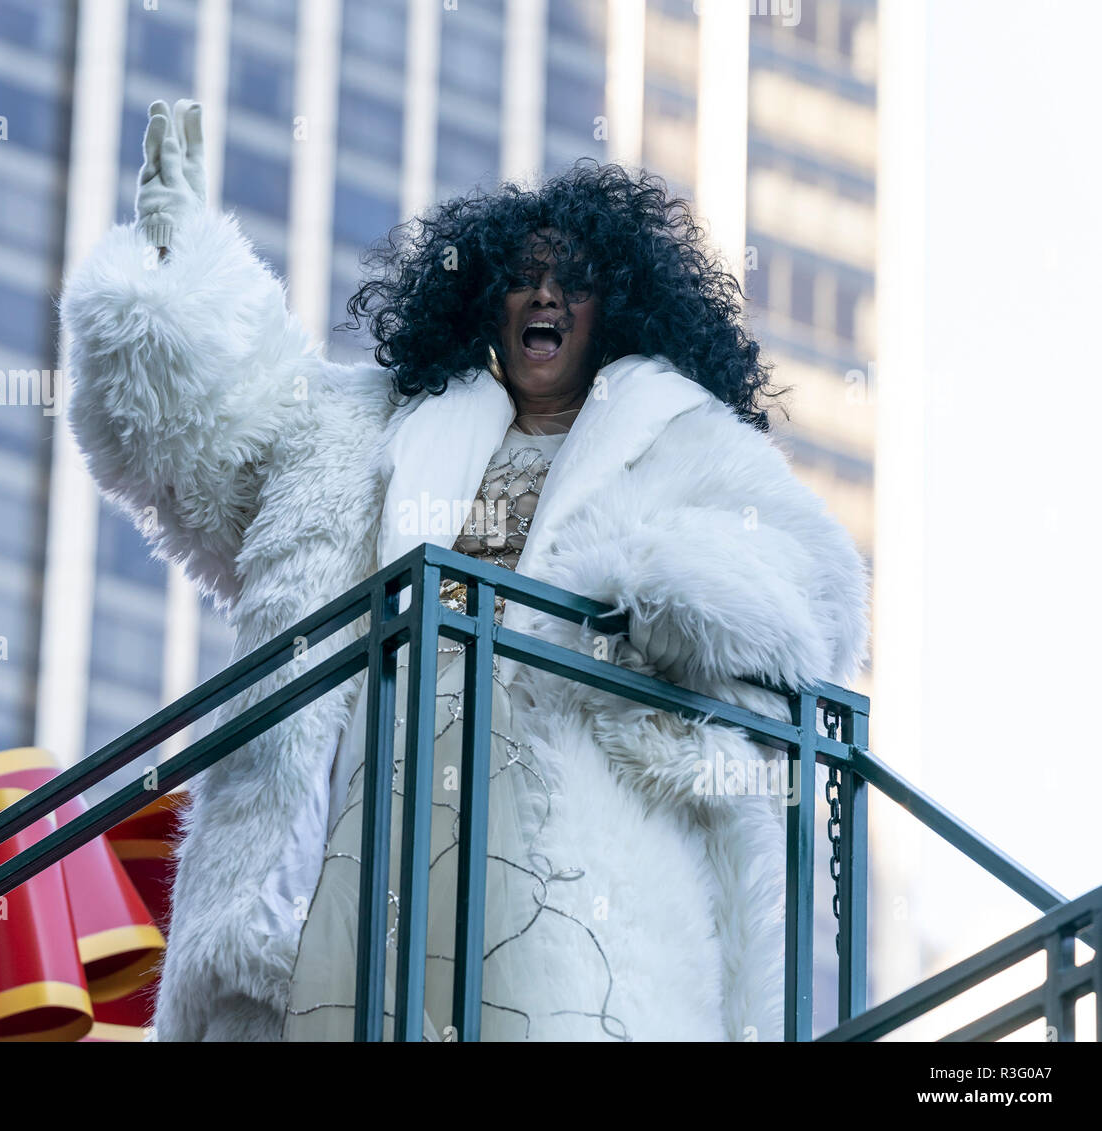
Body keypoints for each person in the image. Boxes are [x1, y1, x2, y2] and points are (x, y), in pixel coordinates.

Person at [60, 99, 869, 1041]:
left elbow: (811, 600)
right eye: (520, 280)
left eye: (573, 280)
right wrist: (175, 278)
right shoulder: (380, 428)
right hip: (377, 820)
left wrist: (651, 592)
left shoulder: (684, 441)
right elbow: (223, 442)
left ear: (618, 307)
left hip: (575, 861)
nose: (544, 297)